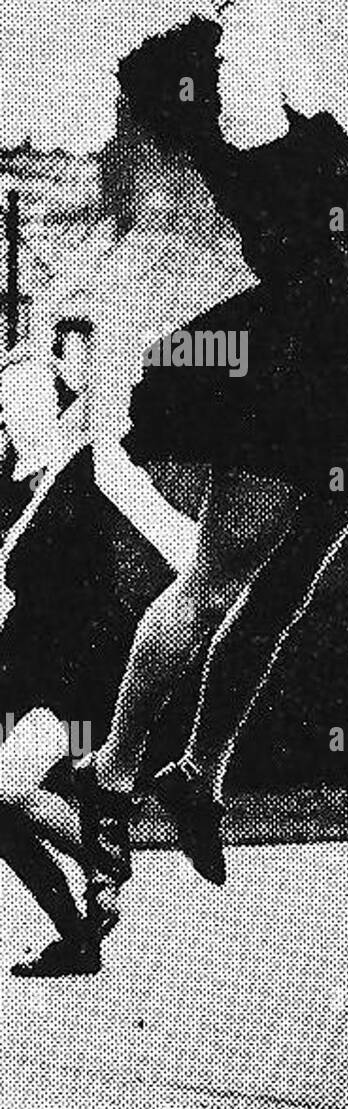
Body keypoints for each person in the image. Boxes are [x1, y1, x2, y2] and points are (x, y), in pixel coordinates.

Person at [75, 0, 348, 954]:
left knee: (278, 593)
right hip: (315, 349)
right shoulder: (248, 117)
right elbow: (246, 18)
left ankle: (198, 771)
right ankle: (113, 773)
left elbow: (259, 29)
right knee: (220, 579)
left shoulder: (290, 111)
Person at [0, 343, 192, 976]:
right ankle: (80, 932)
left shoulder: (88, 471)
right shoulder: (26, 496)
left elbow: (181, 549)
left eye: (9, 411)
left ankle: (101, 859)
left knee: (3, 787)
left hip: (73, 677)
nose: (3, 426)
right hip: (29, 671)